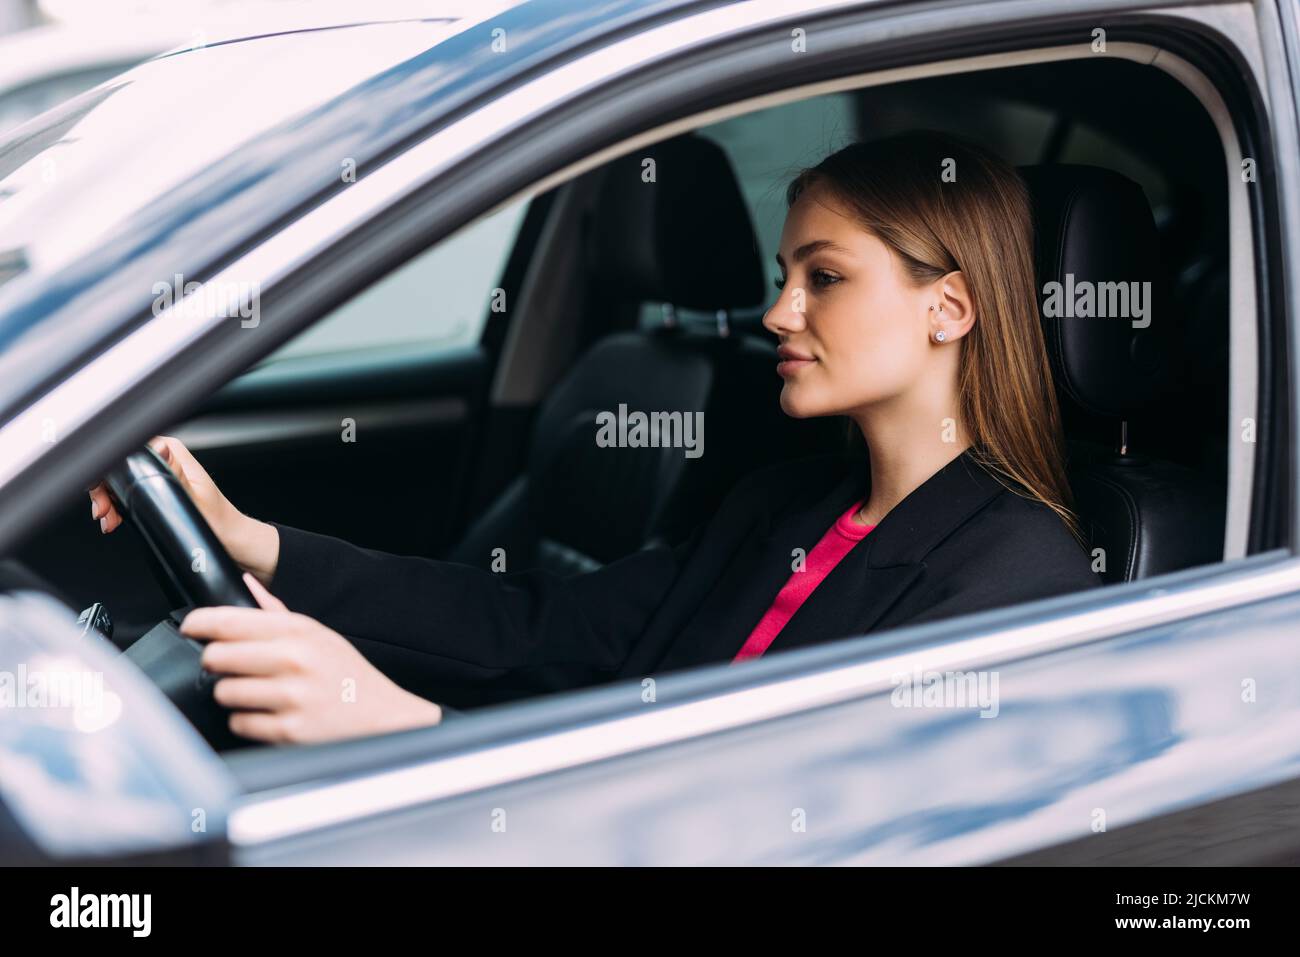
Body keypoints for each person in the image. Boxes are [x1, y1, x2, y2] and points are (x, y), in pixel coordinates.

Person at [89, 132, 1101, 745]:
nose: (777, 313)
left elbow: (782, 823)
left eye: (823, 278)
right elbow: (532, 627)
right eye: (782, 275)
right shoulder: (780, 506)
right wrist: (246, 538)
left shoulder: (1013, 573)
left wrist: (409, 729)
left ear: (950, 309)